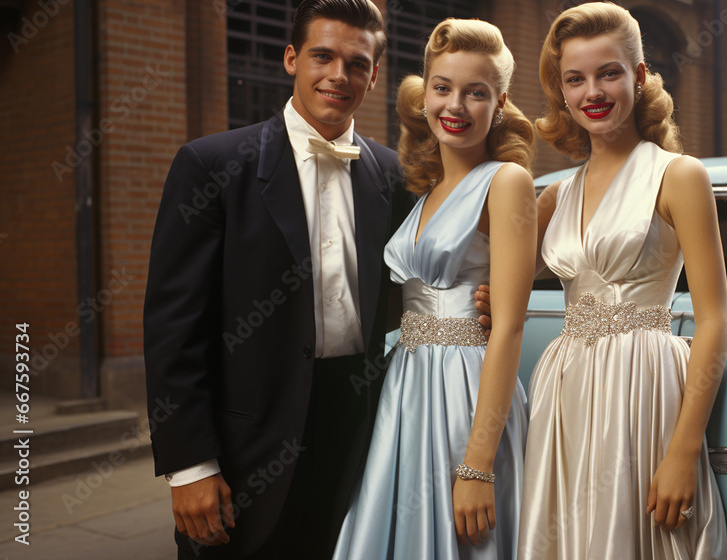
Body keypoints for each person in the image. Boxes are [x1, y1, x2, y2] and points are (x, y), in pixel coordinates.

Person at [143, 1, 489, 558]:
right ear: (291, 59)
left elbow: (421, 279)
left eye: (357, 63)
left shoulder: (395, 177)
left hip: (361, 431)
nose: (338, 75)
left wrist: (478, 300)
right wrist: (189, 465)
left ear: (374, 75)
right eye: (322, 56)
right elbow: (173, 328)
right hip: (246, 443)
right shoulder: (212, 166)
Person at [518, 3, 727, 559]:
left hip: (644, 387)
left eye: (608, 73)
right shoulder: (556, 195)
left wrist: (684, 450)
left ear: (638, 76)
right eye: (575, 79)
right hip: (564, 390)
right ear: (562, 90)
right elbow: (495, 276)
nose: (592, 91)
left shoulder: (679, 176)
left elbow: (714, 321)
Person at [333, 18, 536, 560]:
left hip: (466, 389)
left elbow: (509, 327)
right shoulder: (423, 191)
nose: (456, 105)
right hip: (406, 384)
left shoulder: (507, 181)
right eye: (443, 88)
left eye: (477, 92)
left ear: (500, 103)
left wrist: (478, 464)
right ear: (425, 96)